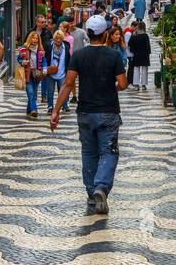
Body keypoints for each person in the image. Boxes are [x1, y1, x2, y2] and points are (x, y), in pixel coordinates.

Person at [51, 14, 127, 214]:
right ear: (105, 35)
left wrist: (56, 111)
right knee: (109, 151)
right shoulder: (113, 56)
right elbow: (123, 84)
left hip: (84, 112)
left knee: (88, 152)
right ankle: (101, 187)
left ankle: (91, 191)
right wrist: (113, 87)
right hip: (108, 112)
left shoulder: (79, 56)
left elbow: (68, 84)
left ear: (90, 33)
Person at [18, 31, 55, 118]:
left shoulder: (40, 51)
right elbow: (19, 59)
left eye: (36, 39)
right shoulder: (24, 49)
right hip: (27, 74)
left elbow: (44, 61)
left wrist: (45, 68)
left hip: (37, 75)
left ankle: (29, 110)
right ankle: (34, 110)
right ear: (30, 39)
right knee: (30, 93)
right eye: (33, 38)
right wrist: (22, 62)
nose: (35, 40)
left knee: (33, 94)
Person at [128, 22, 152, 91]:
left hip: (136, 54)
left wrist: (133, 51)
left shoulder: (134, 35)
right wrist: (148, 53)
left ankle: (136, 84)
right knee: (144, 69)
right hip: (144, 55)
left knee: (136, 69)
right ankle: (144, 85)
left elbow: (130, 44)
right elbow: (148, 46)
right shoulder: (145, 36)